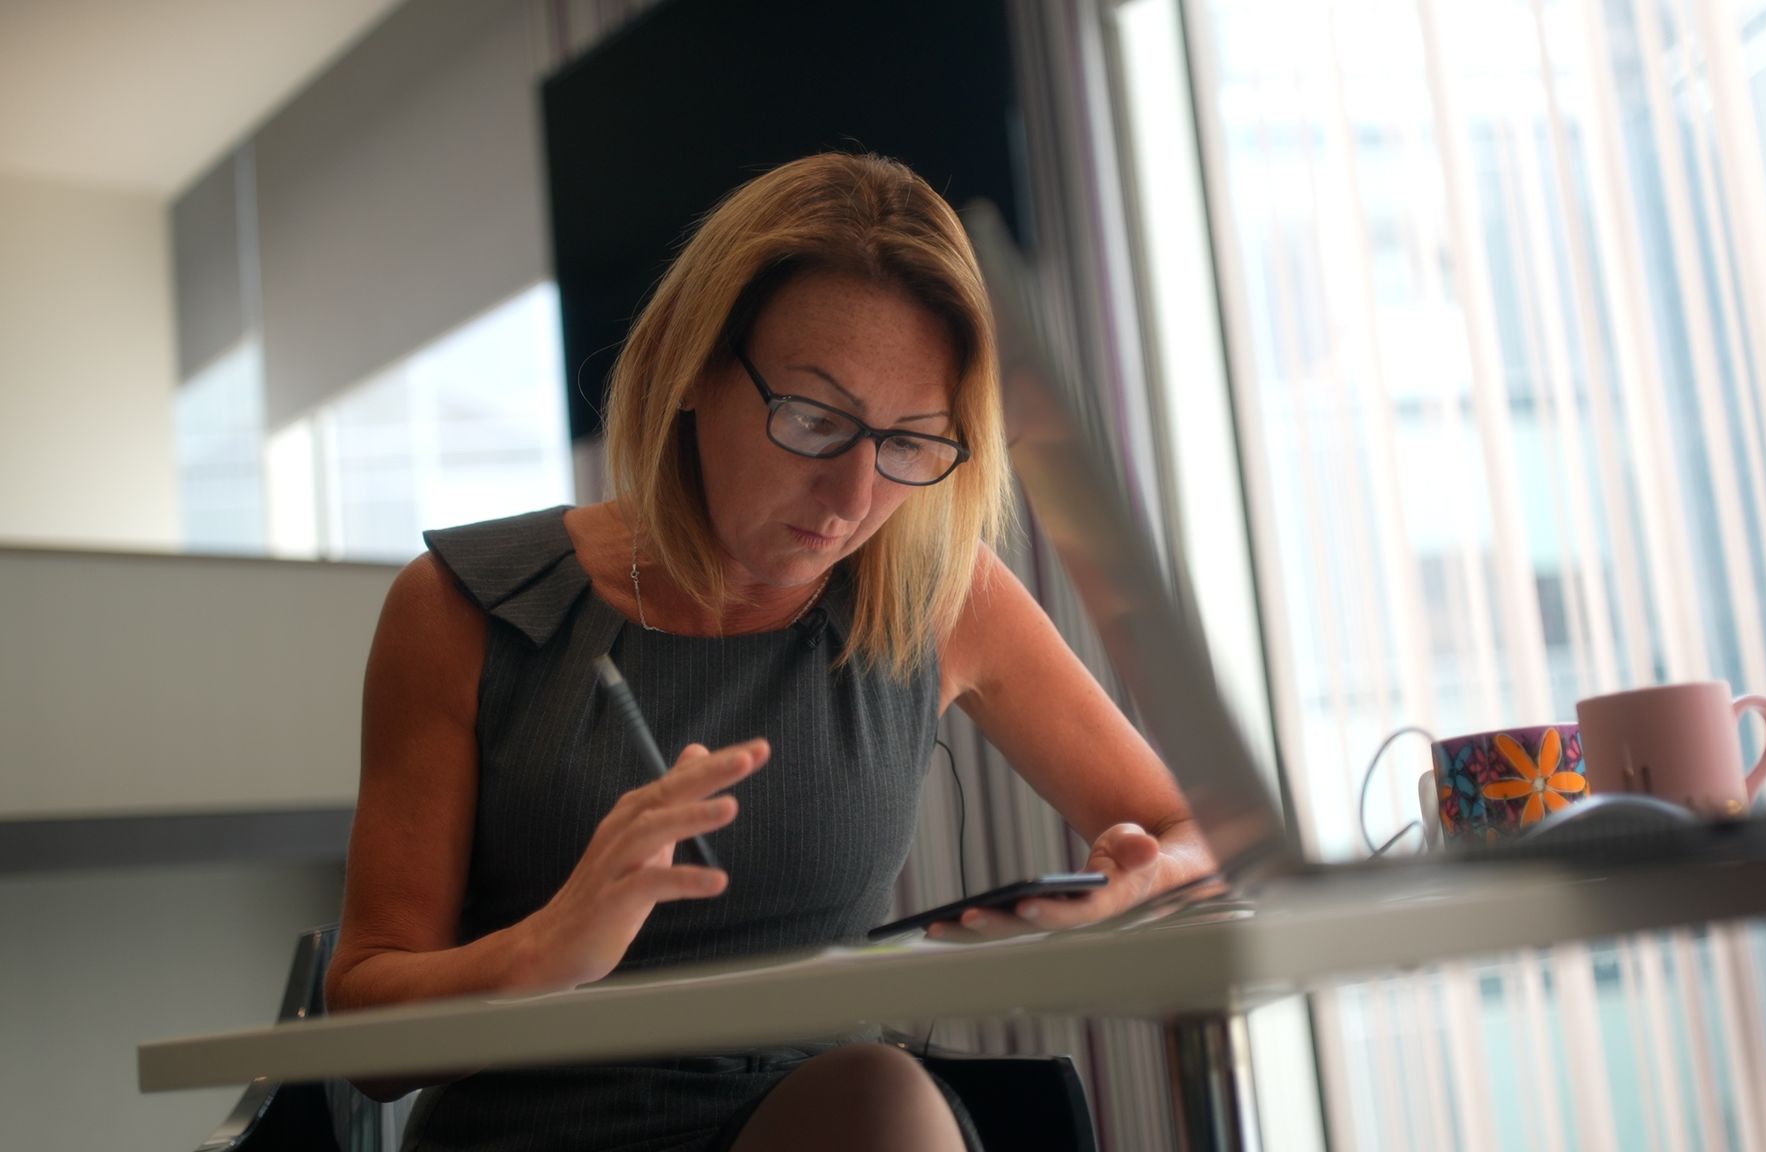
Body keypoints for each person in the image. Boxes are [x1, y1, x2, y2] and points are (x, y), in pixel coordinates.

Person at [323, 152, 1214, 1152]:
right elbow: (364, 1031)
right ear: (692, 370)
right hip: (526, 1134)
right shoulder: (464, 609)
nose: (853, 500)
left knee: (878, 1094)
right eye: (814, 420)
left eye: (909, 443)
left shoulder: (935, 596)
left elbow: (1196, 833)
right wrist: (542, 951)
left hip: (827, 1125)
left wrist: (1133, 888)